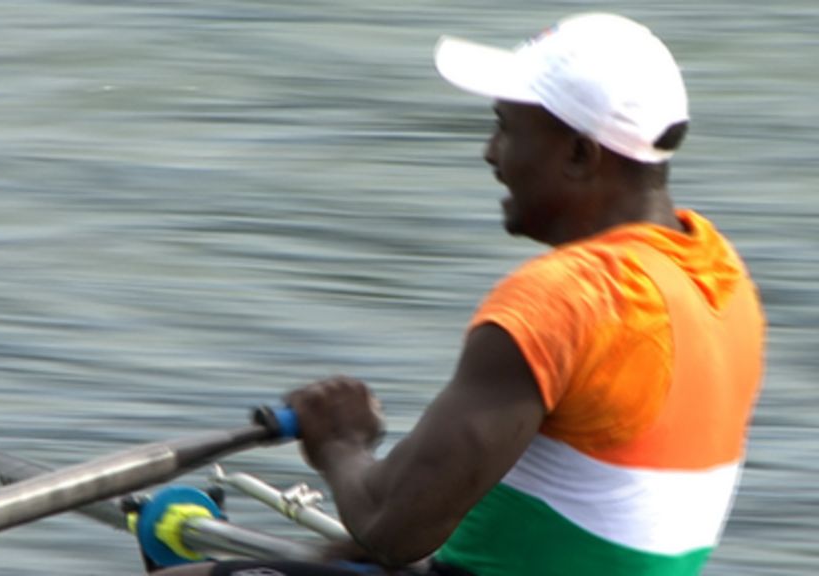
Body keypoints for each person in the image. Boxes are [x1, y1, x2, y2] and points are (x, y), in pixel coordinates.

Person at [157, 12, 765, 576]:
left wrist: (340, 443)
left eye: (505, 128)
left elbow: (393, 529)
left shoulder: (566, 299)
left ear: (581, 154)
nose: (490, 153)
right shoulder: (719, 278)